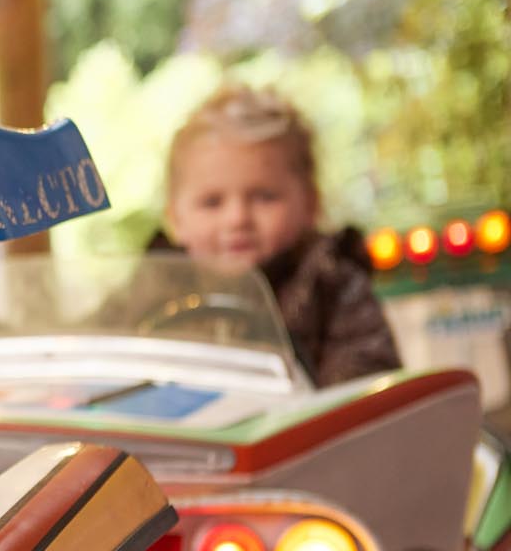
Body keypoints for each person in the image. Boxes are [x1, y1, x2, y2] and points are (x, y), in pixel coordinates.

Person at [153, 83, 400, 387]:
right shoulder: (148, 291)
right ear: (175, 218)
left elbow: (366, 386)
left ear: (311, 203)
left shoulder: (332, 285)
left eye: (264, 197)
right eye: (212, 202)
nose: (237, 218)